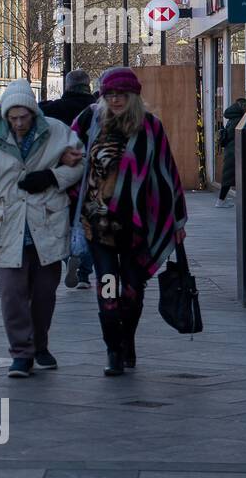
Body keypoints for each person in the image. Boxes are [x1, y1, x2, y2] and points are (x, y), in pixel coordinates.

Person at [71, 68, 188, 376]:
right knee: (107, 288)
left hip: (139, 228)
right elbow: (67, 156)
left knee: (132, 292)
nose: (116, 100)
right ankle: (113, 349)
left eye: (122, 95)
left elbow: (166, 173)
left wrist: (176, 221)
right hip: (98, 226)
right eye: (110, 95)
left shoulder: (151, 128)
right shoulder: (89, 121)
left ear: (134, 96)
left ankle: (128, 340)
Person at [0, 80, 86, 378]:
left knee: (45, 294)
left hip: (46, 223)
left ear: (34, 112)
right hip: (7, 225)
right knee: (12, 295)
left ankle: (40, 344)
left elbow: (79, 163)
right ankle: (21, 353)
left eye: (24, 117)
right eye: (13, 118)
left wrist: (51, 177)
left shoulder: (56, 131)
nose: (19, 123)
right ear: (5, 116)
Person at [40, 69, 98, 289]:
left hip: (61, 176)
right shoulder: (97, 110)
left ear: (67, 86)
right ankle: (84, 273)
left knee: (62, 221)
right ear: (88, 84)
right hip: (92, 177)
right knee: (88, 223)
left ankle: (69, 257)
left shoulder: (55, 109)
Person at [216, 98, 246, 208]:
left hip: (232, 151)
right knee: (229, 177)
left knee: (232, 177)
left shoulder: (233, 118)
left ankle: (222, 200)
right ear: (241, 105)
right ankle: (220, 201)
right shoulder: (238, 119)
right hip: (233, 151)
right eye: (245, 105)